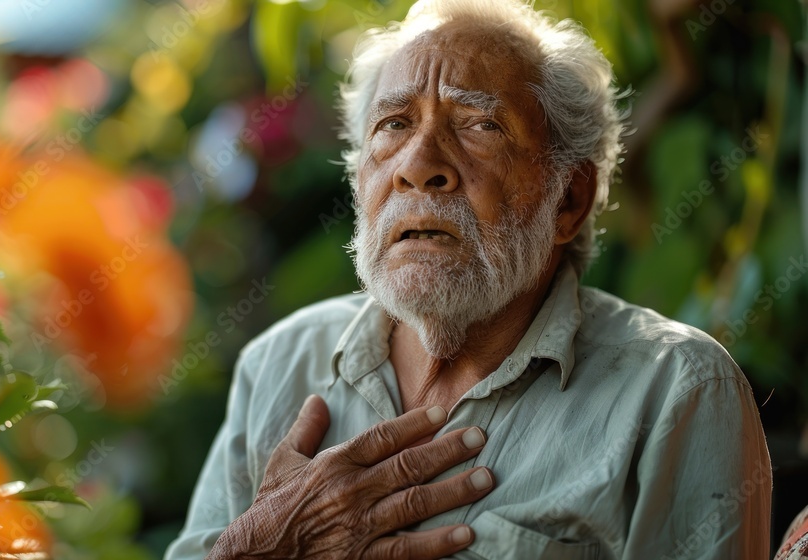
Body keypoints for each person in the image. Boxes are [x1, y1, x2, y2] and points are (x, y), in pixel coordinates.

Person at [165, 0, 773, 557]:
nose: (419, 166)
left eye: (480, 124)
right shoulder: (278, 364)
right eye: (393, 124)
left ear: (568, 199)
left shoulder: (675, 392)